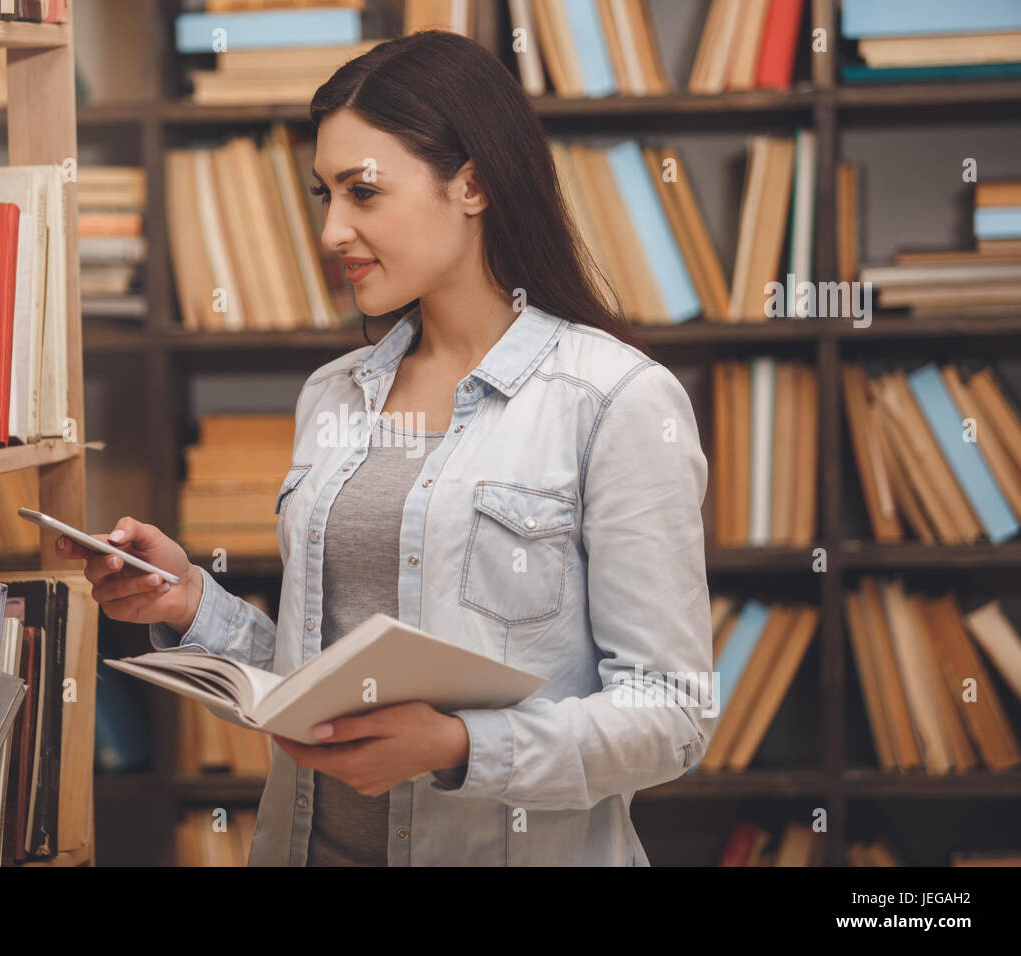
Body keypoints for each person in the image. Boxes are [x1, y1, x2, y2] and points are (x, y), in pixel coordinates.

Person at [57, 30, 714, 866]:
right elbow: (318, 688)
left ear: (471, 185)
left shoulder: (616, 400)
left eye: (363, 193)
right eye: (324, 195)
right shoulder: (334, 394)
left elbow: (671, 715)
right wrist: (187, 603)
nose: (332, 231)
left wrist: (455, 746)